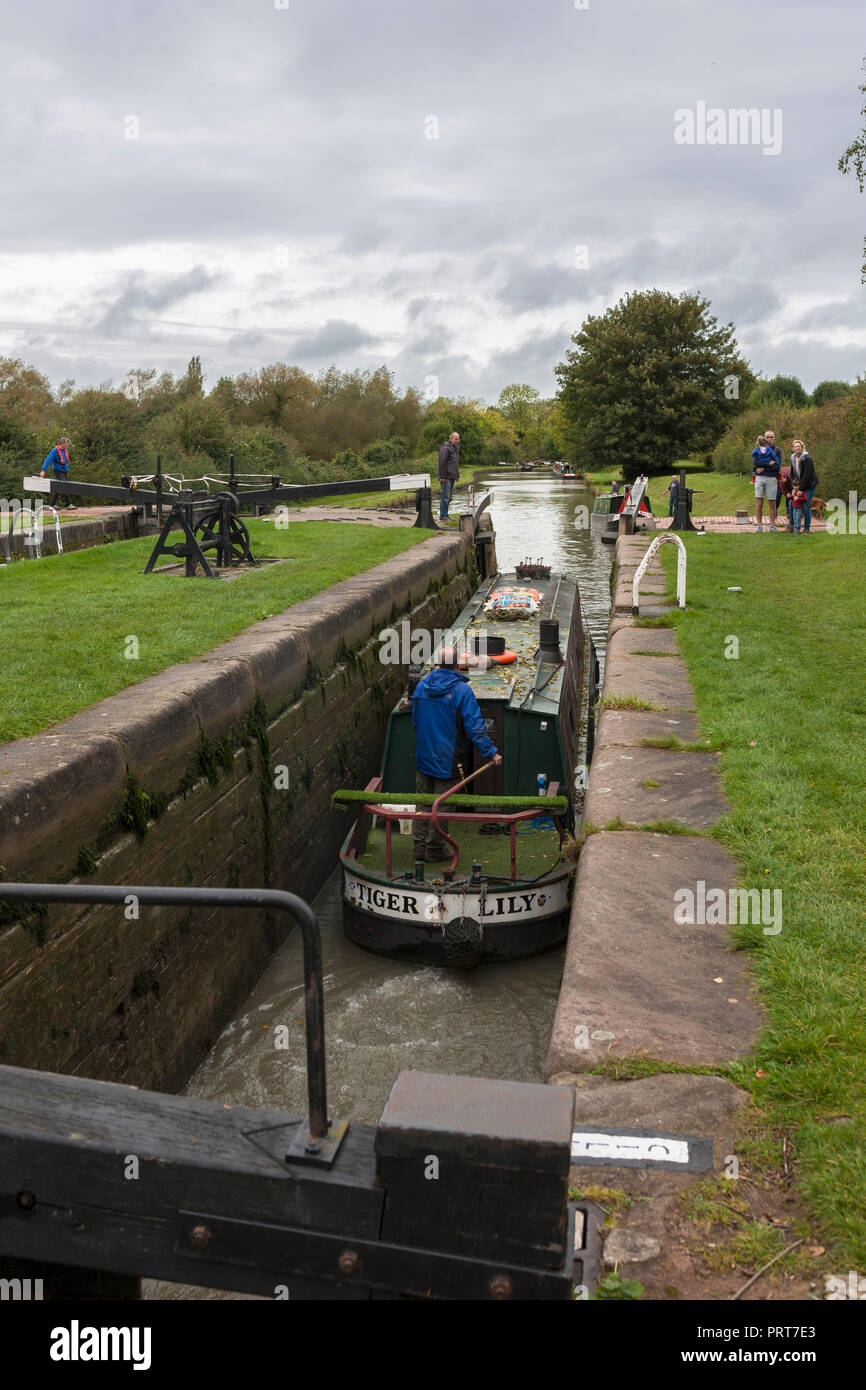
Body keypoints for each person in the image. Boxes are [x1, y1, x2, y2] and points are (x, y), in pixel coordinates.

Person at [411, 645, 502, 861]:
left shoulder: (422, 685)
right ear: (458, 665)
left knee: (423, 801)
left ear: (438, 664)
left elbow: (415, 721)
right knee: (441, 805)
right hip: (449, 759)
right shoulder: (462, 691)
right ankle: (434, 850)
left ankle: (418, 848)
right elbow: (475, 727)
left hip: (424, 755)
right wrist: (491, 753)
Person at [752, 430, 780, 531]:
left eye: (771, 437)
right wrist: (766, 465)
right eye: (767, 437)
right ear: (764, 438)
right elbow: (755, 465)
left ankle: (772, 525)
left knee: (772, 502)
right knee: (759, 502)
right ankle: (759, 525)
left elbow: (777, 467)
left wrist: (763, 468)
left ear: (774, 438)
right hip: (759, 478)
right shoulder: (757, 450)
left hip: (772, 478)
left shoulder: (777, 451)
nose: (769, 439)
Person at [790, 439, 818, 534]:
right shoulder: (793, 458)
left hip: (809, 485)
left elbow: (807, 475)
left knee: (806, 506)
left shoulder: (807, 458)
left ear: (802, 448)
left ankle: (807, 528)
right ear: (793, 448)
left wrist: (801, 489)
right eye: (796, 446)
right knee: (792, 504)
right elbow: (792, 473)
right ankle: (792, 526)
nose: (798, 448)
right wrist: (793, 488)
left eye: (799, 446)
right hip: (799, 486)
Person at [40, 436, 74, 509]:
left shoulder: (66, 450)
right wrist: (43, 470)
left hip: (64, 471)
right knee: (65, 484)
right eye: (66, 444)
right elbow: (48, 460)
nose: (67, 446)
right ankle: (69, 504)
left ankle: (52, 504)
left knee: (59, 487)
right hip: (58, 471)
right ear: (62, 444)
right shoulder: (54, 451)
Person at [437, 431, 460, 520]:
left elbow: (456, 463)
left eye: (458, 439)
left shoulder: (456, 448)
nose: (457, 441)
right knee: (445, 497)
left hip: (452, 476)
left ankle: (446, 515)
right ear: (451, 439)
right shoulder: (445, 448)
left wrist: (457, 474)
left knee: (449, 497)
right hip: (445, 477)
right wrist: (442, 477)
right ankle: (443, 516)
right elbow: (442, 463)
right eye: (455, 439)